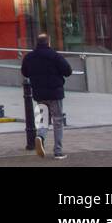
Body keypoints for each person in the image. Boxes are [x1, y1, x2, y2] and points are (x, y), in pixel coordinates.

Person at [21, 32, 73, 160]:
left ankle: (40, 137)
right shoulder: (55, 56)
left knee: (43, 120)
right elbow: (68, 71)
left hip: (39, 94)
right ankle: (58, 151)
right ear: (48, 43)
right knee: (58, 121)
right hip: (55, 93)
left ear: (37, 43)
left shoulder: (29, 57)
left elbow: (25, 72)